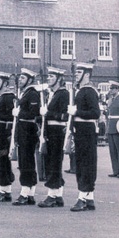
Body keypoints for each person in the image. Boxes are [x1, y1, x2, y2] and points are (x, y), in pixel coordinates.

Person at [68, 62, 100, 212]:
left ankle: (82, 198)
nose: (76, 74)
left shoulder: (89, 91)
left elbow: (95, 113)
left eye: (79, 72)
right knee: (82, 163)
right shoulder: (80, 91)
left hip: (87, 130)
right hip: (81, 130)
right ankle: (90, 198)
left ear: (87, 75)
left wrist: (77, 112)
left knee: (85, 164)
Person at [38, 67, 69, 208]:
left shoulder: (63, 94)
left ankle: (52, 195)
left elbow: (64, 116)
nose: (48, 78)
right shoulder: (53, 94)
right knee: (52, 163)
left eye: (51, 76)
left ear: (59, 78)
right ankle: (57, 195)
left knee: (54, 164)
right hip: (50, 132)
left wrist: (48, 113)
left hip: (57, 132)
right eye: (48, 76)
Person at [13, 68, 41, 206]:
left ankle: (26, 192)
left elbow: (34, 112)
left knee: (26, 162)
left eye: (23, 78)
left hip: (28, 130)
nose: (20, 80)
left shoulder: (33, 93)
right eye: (20, 78)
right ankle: (29, 193)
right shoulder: (26, 93)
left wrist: (19, 113)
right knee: (25, 161)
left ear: (30, 80)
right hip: (23, 129)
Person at [0, 71, 16, 202]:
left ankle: (3, 189)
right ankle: (6, 190)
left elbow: (12, 117)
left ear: (5, 83)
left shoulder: (9, 97)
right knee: (0, 160)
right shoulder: (0, 96)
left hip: (4, 134)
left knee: (3, 161)